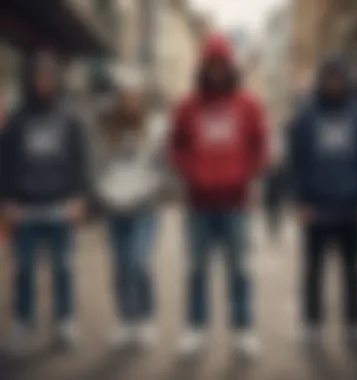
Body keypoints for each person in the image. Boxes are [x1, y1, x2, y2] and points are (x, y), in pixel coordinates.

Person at [169, 34, 268, 358]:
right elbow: (175, 146)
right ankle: (195, 328)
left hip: (236, 202)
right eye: (210, 64)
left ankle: (243, 329)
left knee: (239, 269)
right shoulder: (187, 105)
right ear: (203, 66)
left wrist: (245, 172)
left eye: (220, 64)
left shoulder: (248, 104)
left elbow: (260, 145)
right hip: (198, 203)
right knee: (197, 269)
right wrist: (190, 170)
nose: (215, 69)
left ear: (229, 66)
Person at [289, 56, 357, 349]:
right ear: (321, 80)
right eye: (328, 77)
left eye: (337, 77)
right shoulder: (307, 115)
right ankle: (312, 324)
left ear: (344, 80)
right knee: (314, 270)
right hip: (317, 207)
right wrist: (301, 199)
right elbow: (297, 161)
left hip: (352, 206)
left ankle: (355, 324)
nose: (333, 83)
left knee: (353, 271)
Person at [0, 52, 87, 353]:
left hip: (59, 206)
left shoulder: (69, 116)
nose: (43, 82)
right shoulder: (18, 118)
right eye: (38, 76)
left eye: (48, 76)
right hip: (24, 208)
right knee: (23, 269)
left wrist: (78, 196)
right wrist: (6, 200)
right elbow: (5, 161)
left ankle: (65, 321)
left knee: (63, 268)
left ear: (55, 80)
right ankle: (23, 321)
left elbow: (79, 160)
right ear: (30, 79)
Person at [94, 78, 169, 350]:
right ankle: (126, 320)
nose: (129, 102)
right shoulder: (107, 130)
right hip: (115, 210)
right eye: (124, 97)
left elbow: (162, 169)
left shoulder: (155, 129)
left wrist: (151, 190)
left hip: (144, 210)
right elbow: (98, 167)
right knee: (120, 266)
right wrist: (104, 193)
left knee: (139, 263)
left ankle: (146, 318)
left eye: (134, 97)